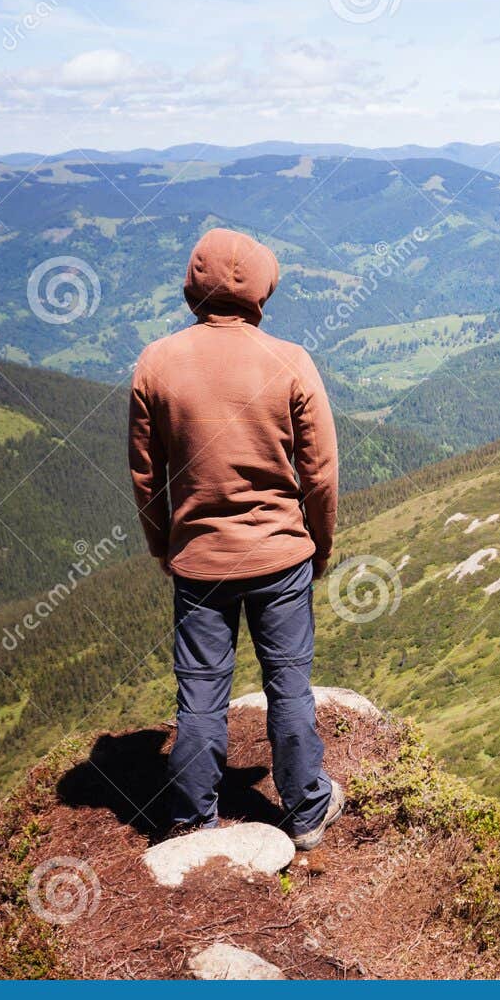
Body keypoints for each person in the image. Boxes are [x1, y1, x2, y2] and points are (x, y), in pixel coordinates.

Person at [127, 227, 344, 850]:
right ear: (260, 289)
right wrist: (319, 545)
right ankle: (305, 810)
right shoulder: (291, 361)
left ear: (193, 286)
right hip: (281, 556)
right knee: (289, 685)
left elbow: (146, 476)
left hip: (200, 561)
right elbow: (320, 474)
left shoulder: (156, 363)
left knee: (200, 693)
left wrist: (162, 544)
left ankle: (194, 819)